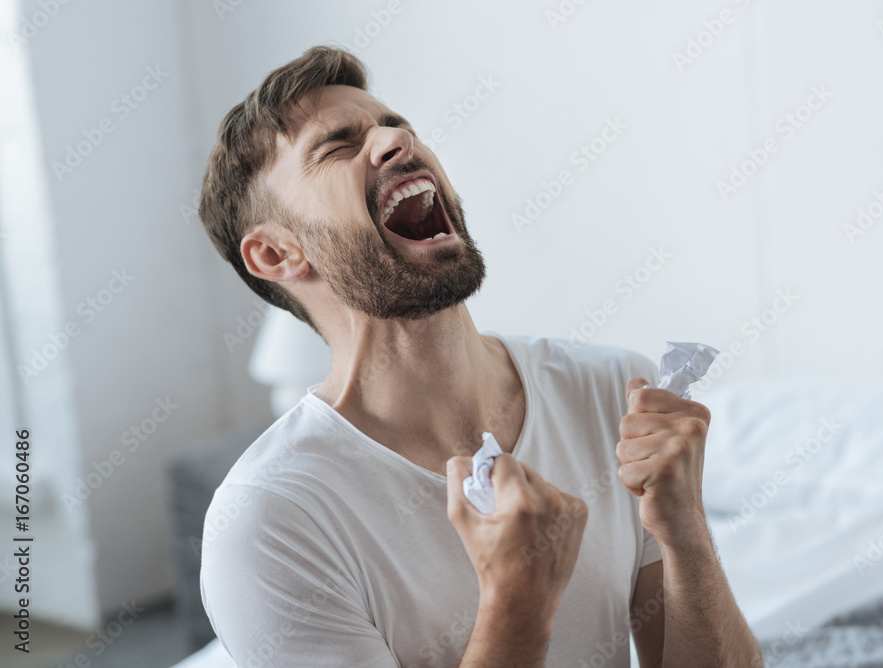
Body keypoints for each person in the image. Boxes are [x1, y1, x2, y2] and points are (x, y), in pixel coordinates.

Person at [197, 45, 761, 667]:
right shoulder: (268, 520)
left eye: (397, 126)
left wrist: (685, 533)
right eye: (338, 145)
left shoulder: (611, 392)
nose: (395, 140)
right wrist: (518, 602)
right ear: (277, 256)